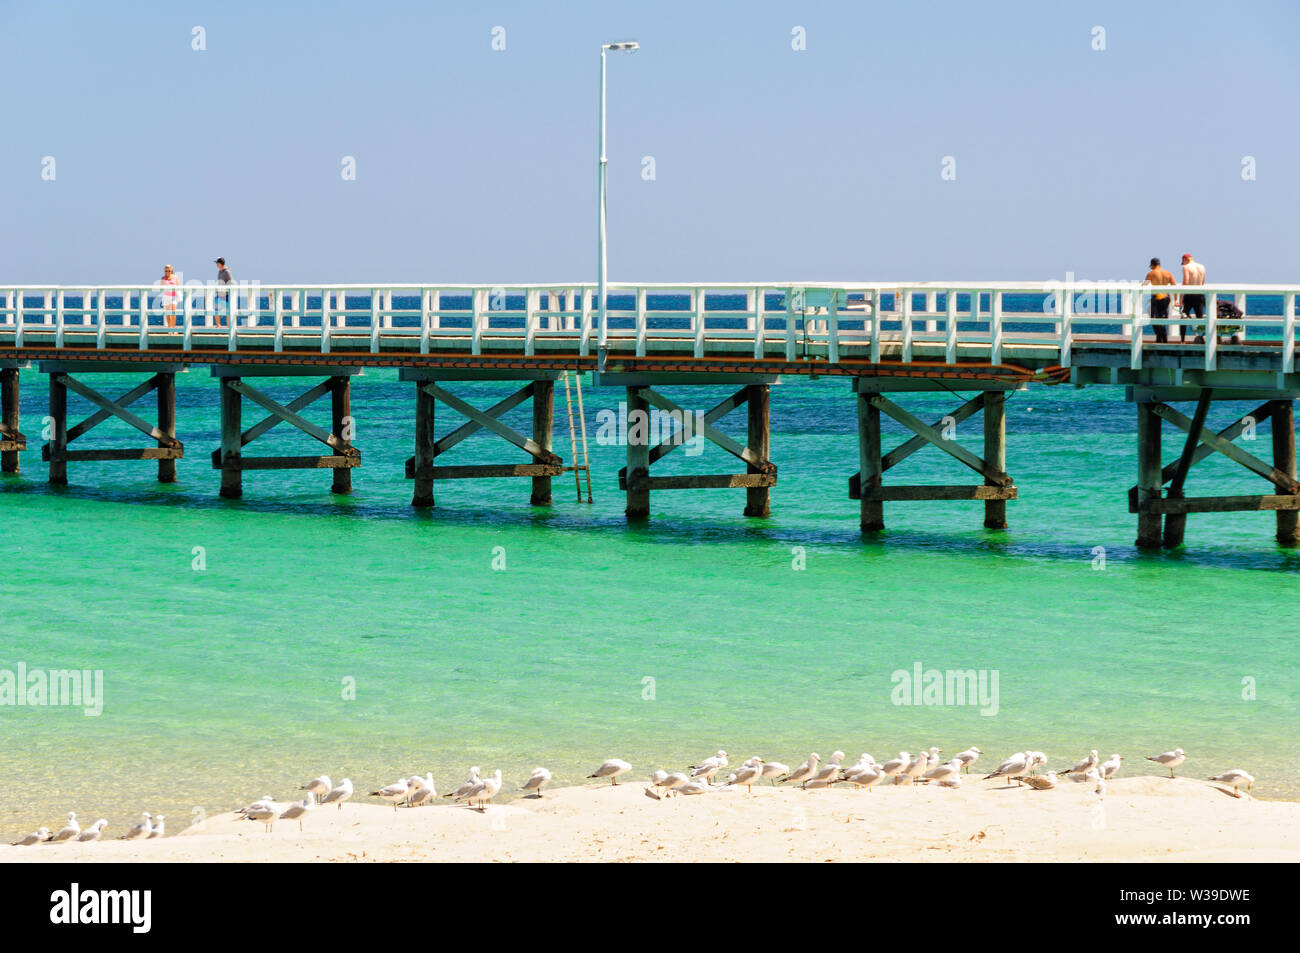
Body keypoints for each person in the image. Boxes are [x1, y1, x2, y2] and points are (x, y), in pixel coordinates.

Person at [1142, 257, 1176, 342]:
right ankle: (1162, 339)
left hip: (1156, 298)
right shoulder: (1168, 273)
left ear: (1152, 265)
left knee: (1154, 319)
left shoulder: (1151, 273)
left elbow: (1143, 286)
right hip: (1166, 298)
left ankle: (1161, 338)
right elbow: (1175, 286)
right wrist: (1175, 299)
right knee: (1163, 318)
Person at [1179, 253, 1206, 343]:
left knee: (1183, 317)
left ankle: (1182, 340)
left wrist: (1181, 297)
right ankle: (1201, 338)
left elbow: (1186, 281)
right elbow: (1202, 282)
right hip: (1200, 294)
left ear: (1184, 259)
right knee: (1200, 318)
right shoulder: (1202, 267)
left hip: (1189, 295)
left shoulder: (1186, 267)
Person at [214, 257, 233, 327]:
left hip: (226, 294)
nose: (216, 264)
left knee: (228, 310)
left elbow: (231, 282)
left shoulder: (227, 272)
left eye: (217, 263)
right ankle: (218, 324)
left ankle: (229, 325)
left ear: (220, 264)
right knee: (216, 309)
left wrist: (225, 290)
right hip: (219, 294)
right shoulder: (219, 271)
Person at [159, 264, 179, 329]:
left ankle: (173, 328)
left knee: (173, 312)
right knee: (167, 313)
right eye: (166, 271)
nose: (168, 272)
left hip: (173, 296)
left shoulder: (175, 277)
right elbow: (161, 288)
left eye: (169, 271)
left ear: (171, 270)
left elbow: (178, 286)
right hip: (166, 296)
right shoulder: (163, 278)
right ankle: (169, 328)